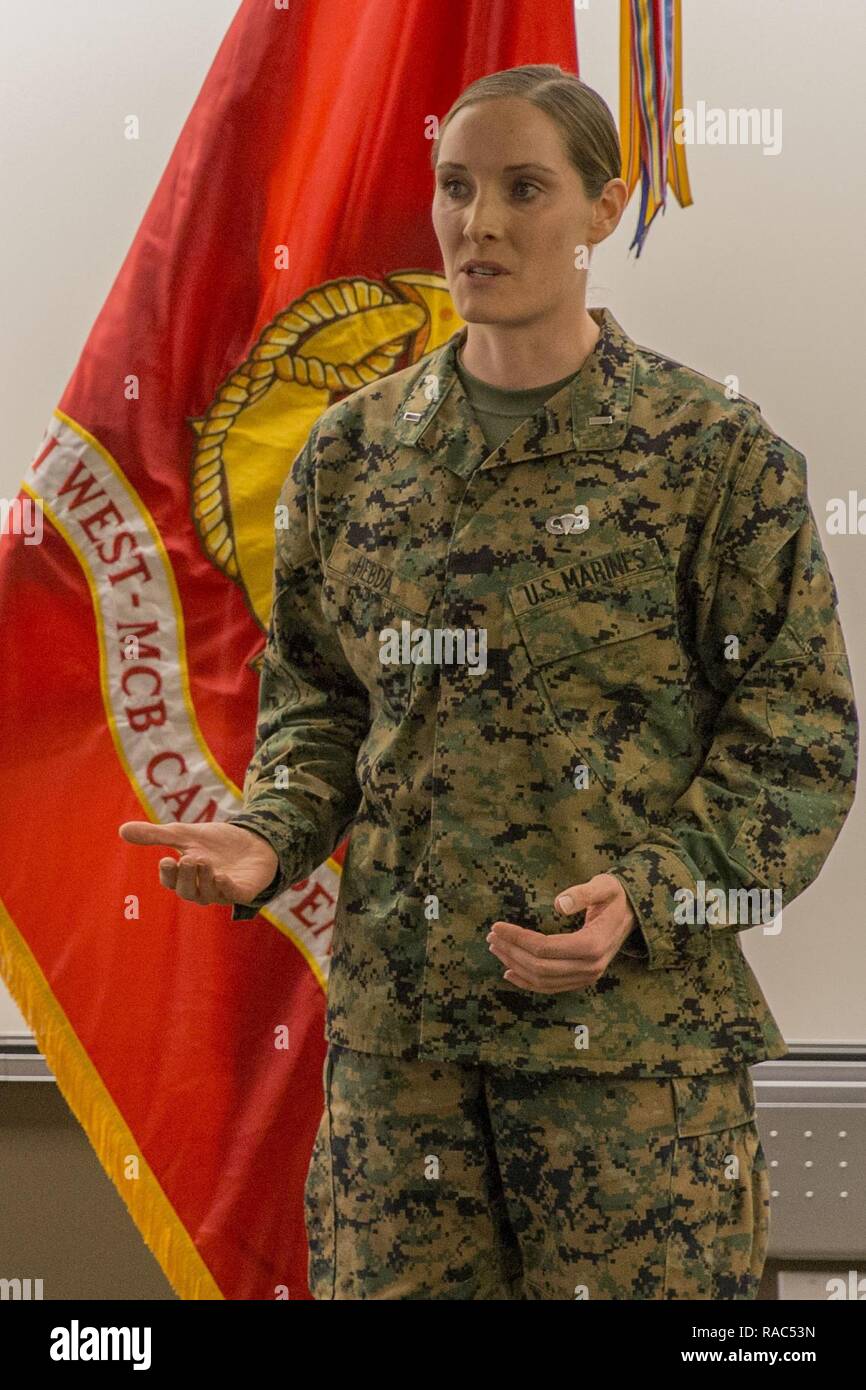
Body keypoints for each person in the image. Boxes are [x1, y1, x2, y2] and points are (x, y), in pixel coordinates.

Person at [120, 65, 858, 1300]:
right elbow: (319, 706)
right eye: (455, 188)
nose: (479, 224)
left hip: (635, 1082)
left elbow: (796, 744)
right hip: (400, 1079)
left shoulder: (714, 459)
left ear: (602, 208)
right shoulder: (352, 456)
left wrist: (653, 891)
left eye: (524, 188)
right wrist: (269, 832)